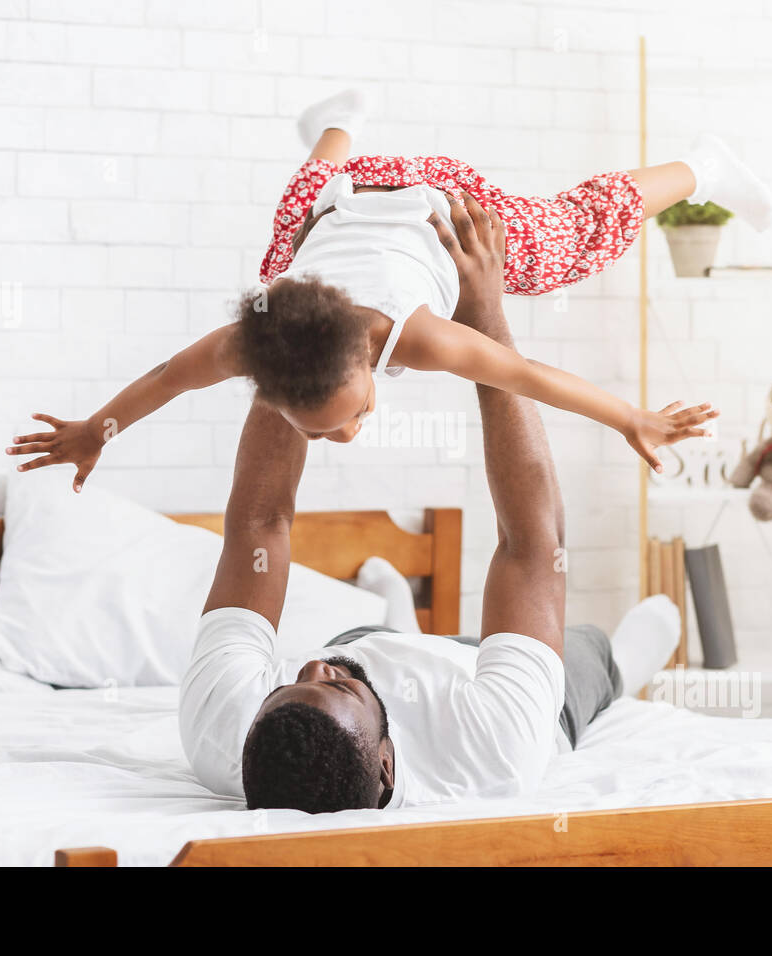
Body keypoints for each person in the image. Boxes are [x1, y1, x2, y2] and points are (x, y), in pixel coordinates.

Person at [178, 194, 682, 812]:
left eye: (285, 686)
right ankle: (622, 668)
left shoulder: (221, 731)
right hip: (482, 698)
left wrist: (302, 318)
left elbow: (259, 522)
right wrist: (486, 315)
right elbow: (531, 545)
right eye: (330, 686)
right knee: (586, 654)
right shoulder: (493, 750)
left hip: (364, 646)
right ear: (387, 769)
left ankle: (397, 625)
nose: (310, 666)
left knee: (352, 645)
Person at [6, 90, 745, 486]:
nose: (349, 433)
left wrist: (628, 418)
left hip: (431, 203)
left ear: (367, 358)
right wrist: (93, 430)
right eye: (326, 430)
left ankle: (704, 168)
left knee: (566, 239)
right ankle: (337, 123)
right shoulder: (250, 344)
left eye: (347, 416)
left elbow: (523, 373)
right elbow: (168, 378)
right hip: (338, 203)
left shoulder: (415, 337)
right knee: (292, 224)